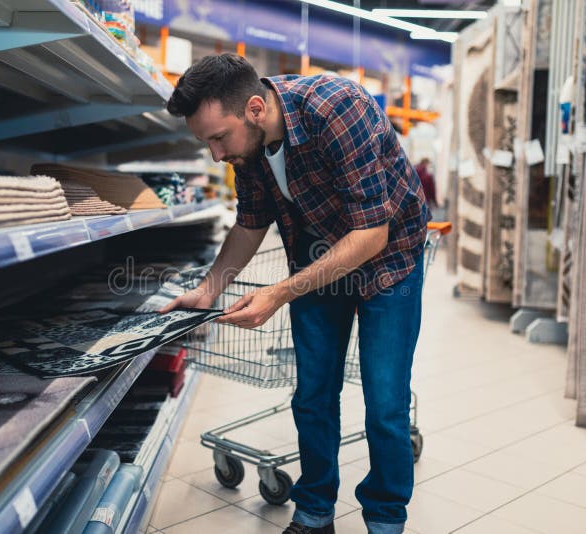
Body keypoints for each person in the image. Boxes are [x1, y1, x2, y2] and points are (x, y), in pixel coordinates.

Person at [160, 54, 429, 534]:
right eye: (206, 143)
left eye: (219, 138)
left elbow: (372, 234)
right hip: (319, 256)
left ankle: (386, 521)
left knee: (385, 404)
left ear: (256, 109)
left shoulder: (338, 108)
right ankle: (314, 512)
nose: (216, 155)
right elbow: (250, 221)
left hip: (390, 259)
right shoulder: (250, 148)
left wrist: (280, 293)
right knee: (312, 395)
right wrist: (208, 290)